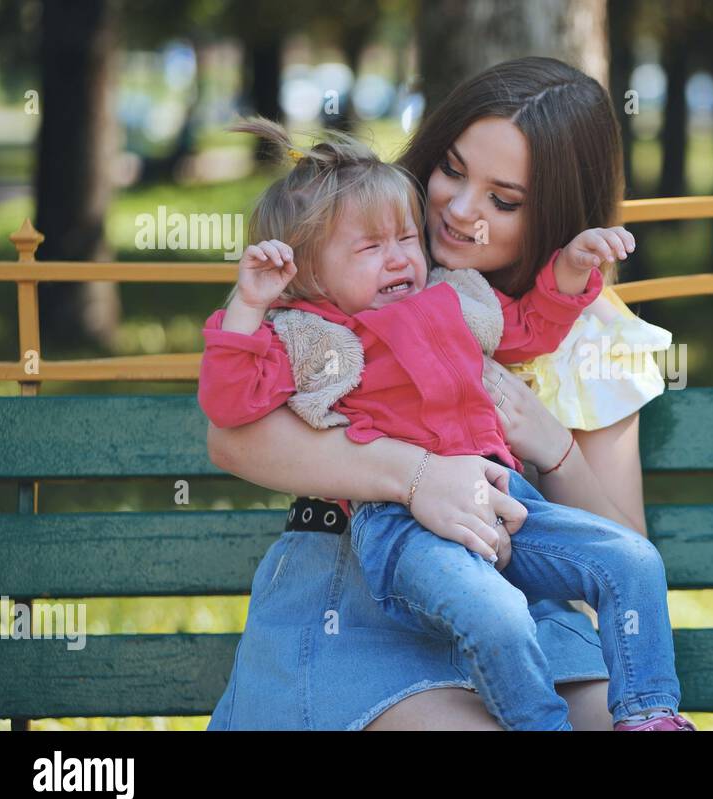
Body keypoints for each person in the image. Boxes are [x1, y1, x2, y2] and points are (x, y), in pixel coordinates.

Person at [205, 57, 684, 731]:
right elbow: (232, 432)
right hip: (360, 589)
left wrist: (556, 449)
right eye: (453, 170)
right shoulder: (345, 268)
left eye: (504, 200)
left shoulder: (591, 333)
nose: (460, 210)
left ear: (556, 213)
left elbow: (621, 552)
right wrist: (416, 477)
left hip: (526, 603)